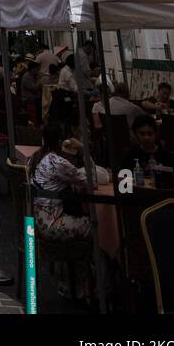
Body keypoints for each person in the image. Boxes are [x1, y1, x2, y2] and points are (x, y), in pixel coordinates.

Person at [29, 121, 107, 298]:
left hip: (38, 222)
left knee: (81, 228)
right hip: (52, 226)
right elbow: (92, 181)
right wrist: (83, 150)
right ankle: (100, 288)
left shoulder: (37, 157)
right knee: (97, 228)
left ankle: (73, 285)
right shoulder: (57, 162)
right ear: (62, 141)